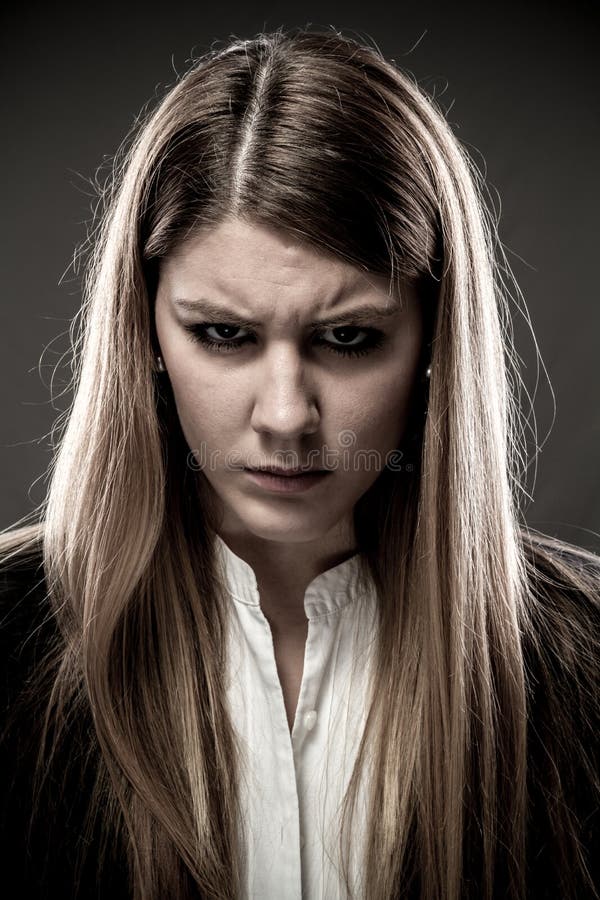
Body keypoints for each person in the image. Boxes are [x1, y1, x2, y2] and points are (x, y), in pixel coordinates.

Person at [1, 25, 598, 900]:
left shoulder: (585, 672)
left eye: (349, 339)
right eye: (224, 336)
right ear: (147, 335)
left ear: (434, 339)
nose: (286, 418)